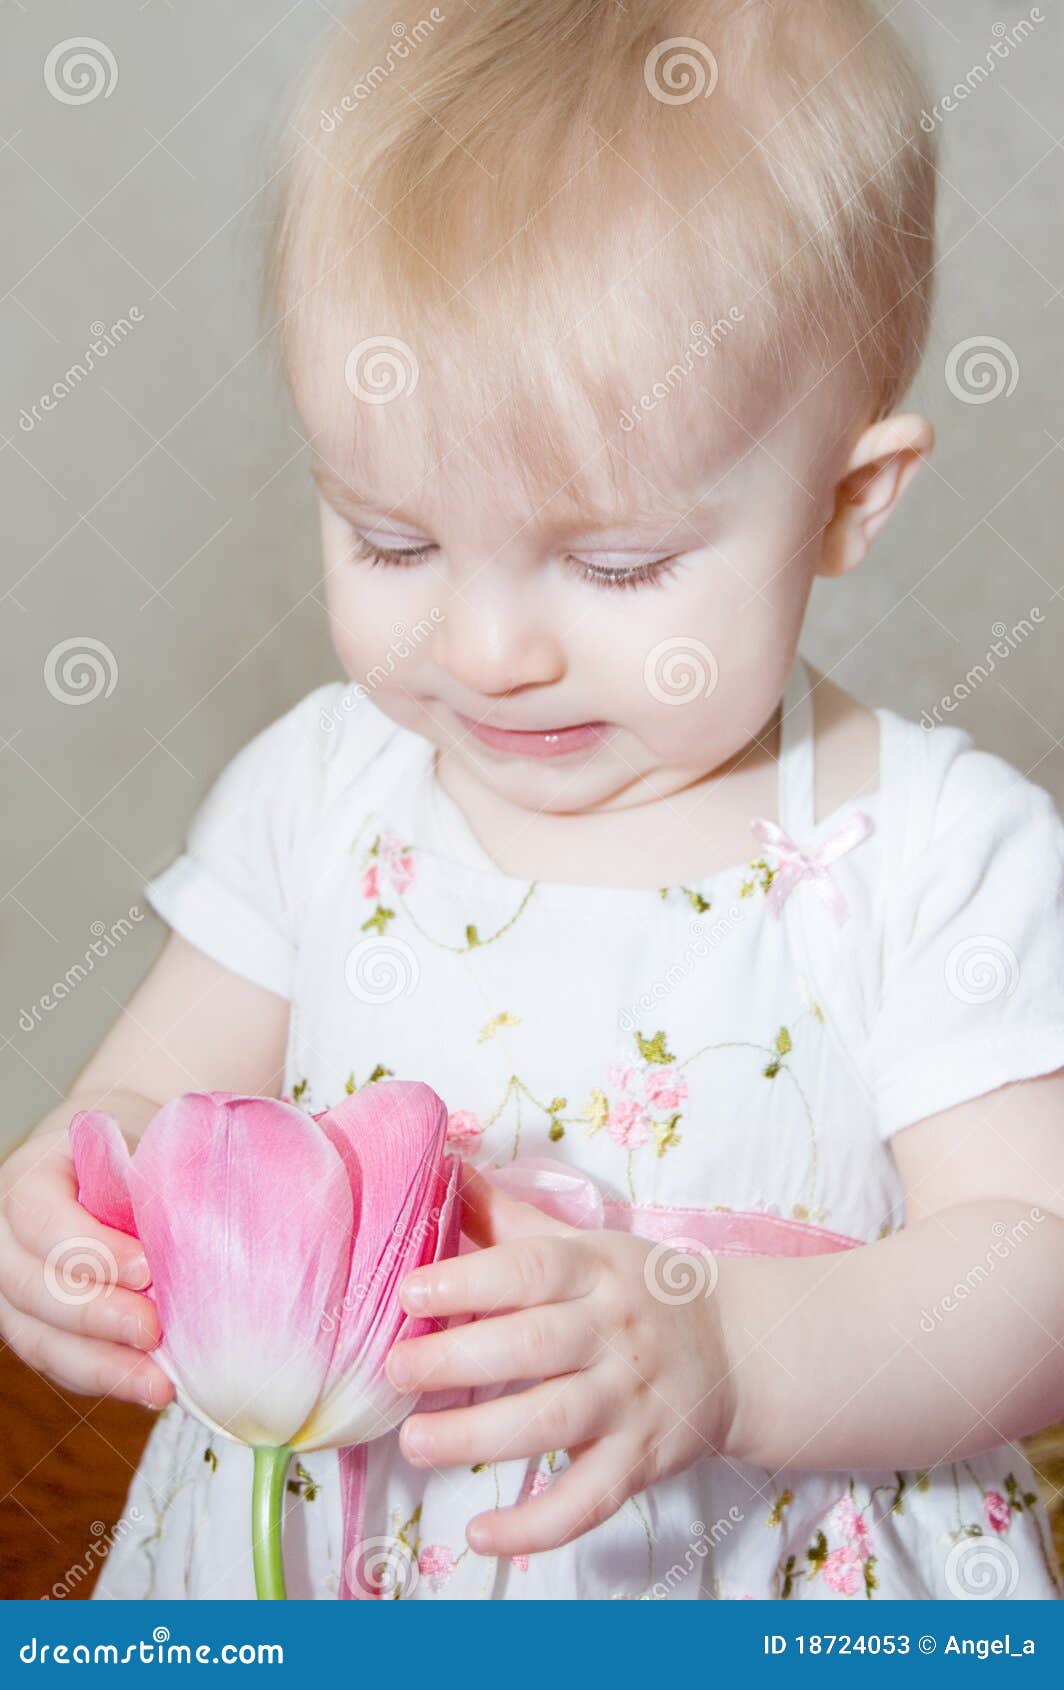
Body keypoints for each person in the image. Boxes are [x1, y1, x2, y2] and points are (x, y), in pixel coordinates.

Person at [4, 0, 1064, 1600]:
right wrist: (68, 1208)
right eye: (394, 539)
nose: (488, 652)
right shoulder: (324, 791)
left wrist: (741, 1351)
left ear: (849, 499)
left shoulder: (931, 851)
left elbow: (1032, 1267)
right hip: (326, 1565)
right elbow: (151, 1104)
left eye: (616, 564)